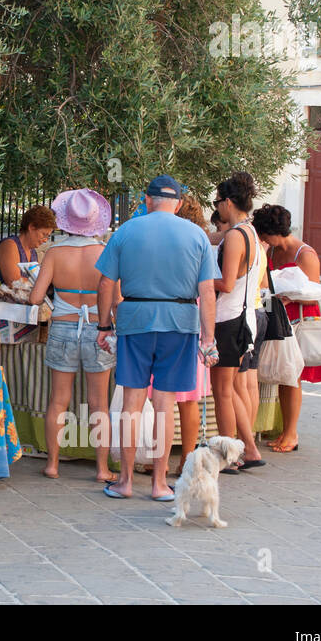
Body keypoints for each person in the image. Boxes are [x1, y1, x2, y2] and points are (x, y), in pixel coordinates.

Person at [95, 175, 219, 501]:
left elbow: (106, 284)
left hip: (135, 321)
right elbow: (207, 291)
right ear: (178, 204)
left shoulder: (125, 231)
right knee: (165, 405)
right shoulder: (197, 235)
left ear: (147, 200)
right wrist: (209, 339)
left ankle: (124, 482)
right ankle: (160, 484)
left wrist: (104, 326)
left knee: (132, 405)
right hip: (180, 324)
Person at [28, 190, 120, 482]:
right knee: (99, 403)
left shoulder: (54, 253)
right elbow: (116, 298)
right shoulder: (105, 252)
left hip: (62, 328)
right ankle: (102, 468)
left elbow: (35, 298)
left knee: (58, 400)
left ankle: (53, 464)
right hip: (99, 329)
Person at [252, 204, 321, 452]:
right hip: (276, 314)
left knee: (291, 376)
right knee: (280, 373)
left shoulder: (305, 254)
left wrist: (288, 296)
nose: (264, 240)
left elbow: (314, 292)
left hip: (298, 316)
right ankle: (279, 429)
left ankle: (291, 433)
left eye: (265, 235)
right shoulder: (271, 250)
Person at [209, 172, 267, 472]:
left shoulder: (234, 237)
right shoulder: (250, 233)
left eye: (217, 202)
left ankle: (229, 455)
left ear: (228, 202)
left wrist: (200, 281)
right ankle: (251, 449)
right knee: (230, 389)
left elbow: (227, 283)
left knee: (222, 392)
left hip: (228, 319)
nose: (216, 208)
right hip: (244, 320)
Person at [169, 194, 214, 477]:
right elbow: (208, 289)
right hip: (194, 317)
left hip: (168, 314)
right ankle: (186, 459)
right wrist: (209, 337)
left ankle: (155, 458)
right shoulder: (201, 244)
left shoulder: (167, 243)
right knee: (189, 396)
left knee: (160, 396)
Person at [0, 205, 56, 286]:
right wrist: (44, 283)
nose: (45, 240)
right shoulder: (9, 245)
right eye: (44, 234)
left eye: (48, 236)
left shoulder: (33, 252)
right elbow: (14, 283)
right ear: (31, 227)